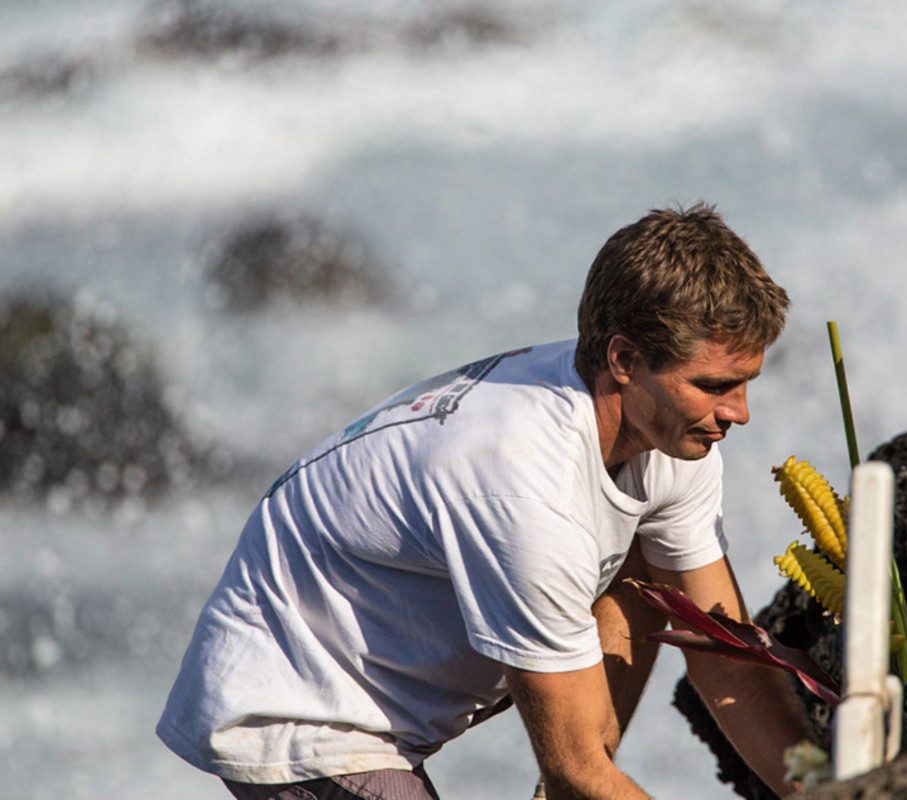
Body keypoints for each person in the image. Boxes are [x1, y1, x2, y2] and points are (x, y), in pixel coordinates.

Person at [158, 202, 815, 800]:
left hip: (398, 673)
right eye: (715, 386)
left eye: (746, 383)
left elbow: (728, 659)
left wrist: (820, 791)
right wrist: (582, 778)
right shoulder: (525, 484)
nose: (740, 412)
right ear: (624, 359)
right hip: (297, 706)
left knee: (653, 573)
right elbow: (576, 770)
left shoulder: (671, 435)